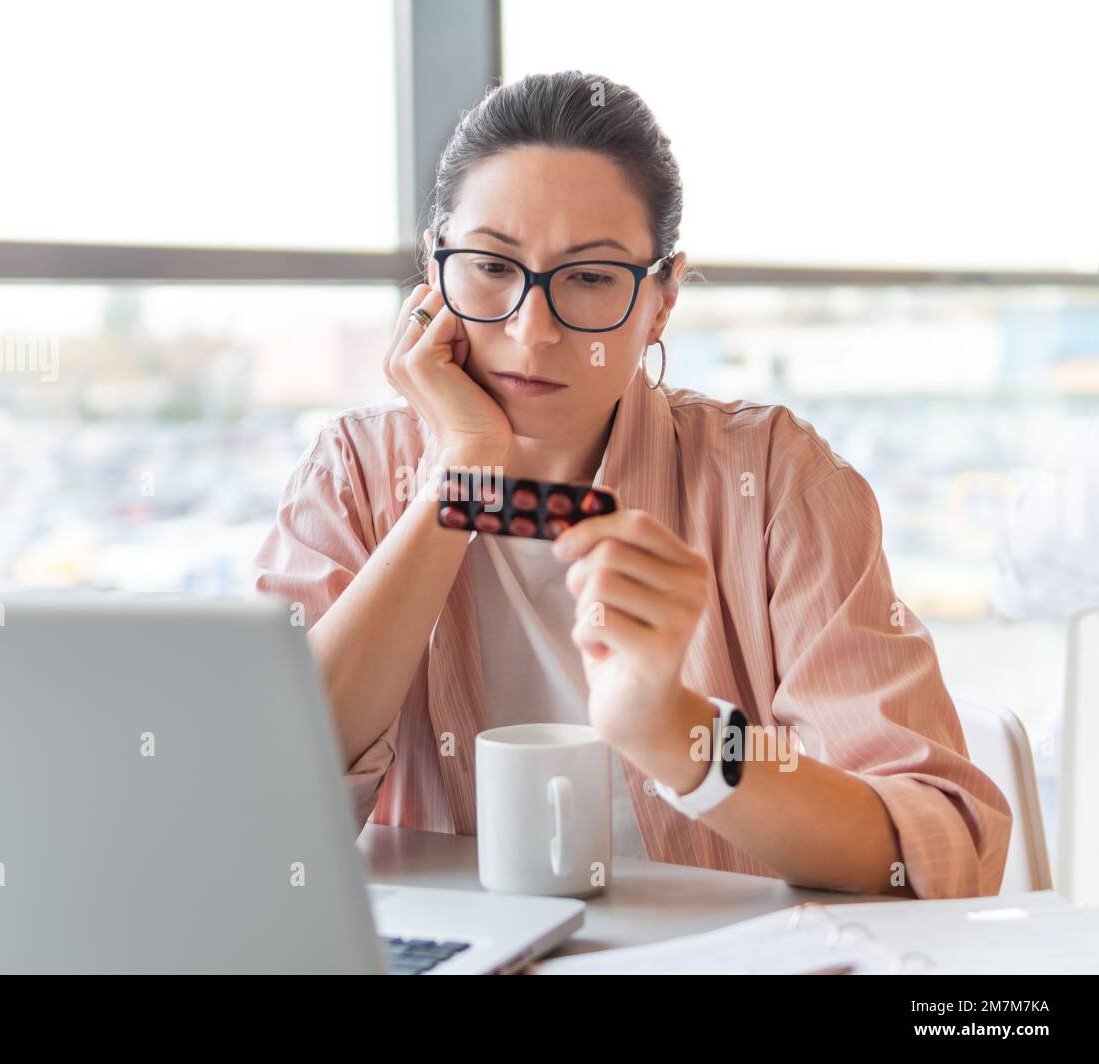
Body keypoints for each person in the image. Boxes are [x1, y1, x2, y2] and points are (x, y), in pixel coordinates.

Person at [253, 71, 1011, 900]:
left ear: (661, 301)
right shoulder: (356, 473)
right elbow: (257, 790)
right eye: (490, 266)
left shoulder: (774, 483)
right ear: (434, 271)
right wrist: (457, 481)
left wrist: (679, 733)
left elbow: (931, 841)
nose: (530, 331)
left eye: (589, 278)